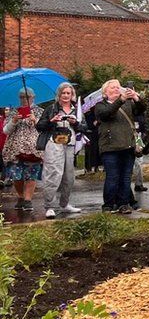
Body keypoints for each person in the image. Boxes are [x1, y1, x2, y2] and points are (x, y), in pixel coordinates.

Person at [93, 80, 143, 214]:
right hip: (110, 147)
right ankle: (108, 204)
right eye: (112, 88)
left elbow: (141, 110)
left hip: (128, 145)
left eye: (118, 87)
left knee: (126, 177)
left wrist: (136, 98)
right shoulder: (100, 106)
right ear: (105, 92)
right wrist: (121, 100)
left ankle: (123, 203)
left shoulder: (127, 104)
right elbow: (107, 114)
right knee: (112, 176)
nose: (116, 89)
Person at [36, 82, 84, 218]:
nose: (66, 95)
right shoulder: (51, 108)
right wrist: (51, 121)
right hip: (54, 143)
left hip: (70, 143)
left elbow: (85, 127)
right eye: (63, 93)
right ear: (59, 94)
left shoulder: (77, 109)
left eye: (68, 93)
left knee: (69, 176)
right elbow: (40, 126)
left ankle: (65, 204)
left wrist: (76, 123)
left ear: (72, 95)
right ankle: (49, 206)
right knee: (53, 174)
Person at [2, 88, 43, 211]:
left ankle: (28, 199)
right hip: (15, 149)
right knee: (16, 175)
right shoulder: (14, 111)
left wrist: (35, 120)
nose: (25, 99)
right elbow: (5, 131)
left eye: (27, 97)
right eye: (22, 97)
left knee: (31, 174)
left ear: (33, 97)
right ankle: (20, 196)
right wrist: (14, 121)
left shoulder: (40, 111)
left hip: (34, 149)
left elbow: (44, 129)